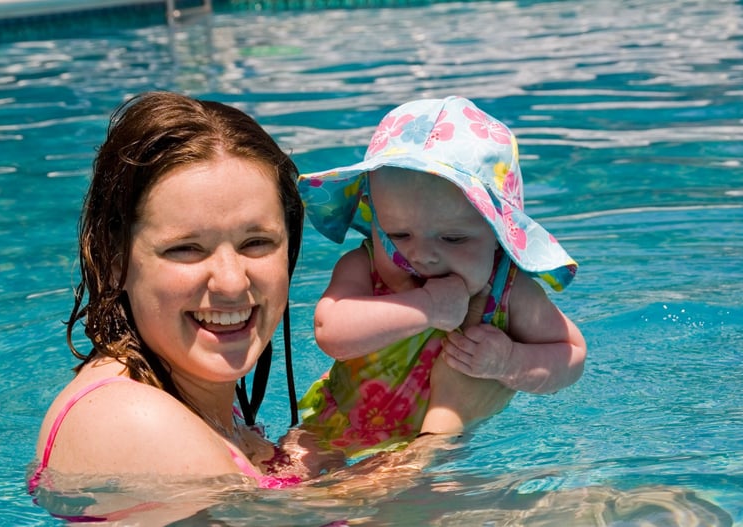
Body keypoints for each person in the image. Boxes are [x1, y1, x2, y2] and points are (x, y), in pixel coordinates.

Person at [29, 92, 344, 521]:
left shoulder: (186, 394)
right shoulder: (136, 420)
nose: (232, 282)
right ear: (116, 261)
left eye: (257, 242)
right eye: (186, 249)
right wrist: (437, 435)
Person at [297, 96, 587, 457]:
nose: (421, 255)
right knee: (285, 479)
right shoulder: (365, 267)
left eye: (453, 238)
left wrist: (510, 361)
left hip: (442, 447)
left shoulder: (508, 292)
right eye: (398, 234)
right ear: (375, 219)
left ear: (499, 236)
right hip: (333, 420)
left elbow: (571, 355)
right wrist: (426, 306)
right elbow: (331, 332)